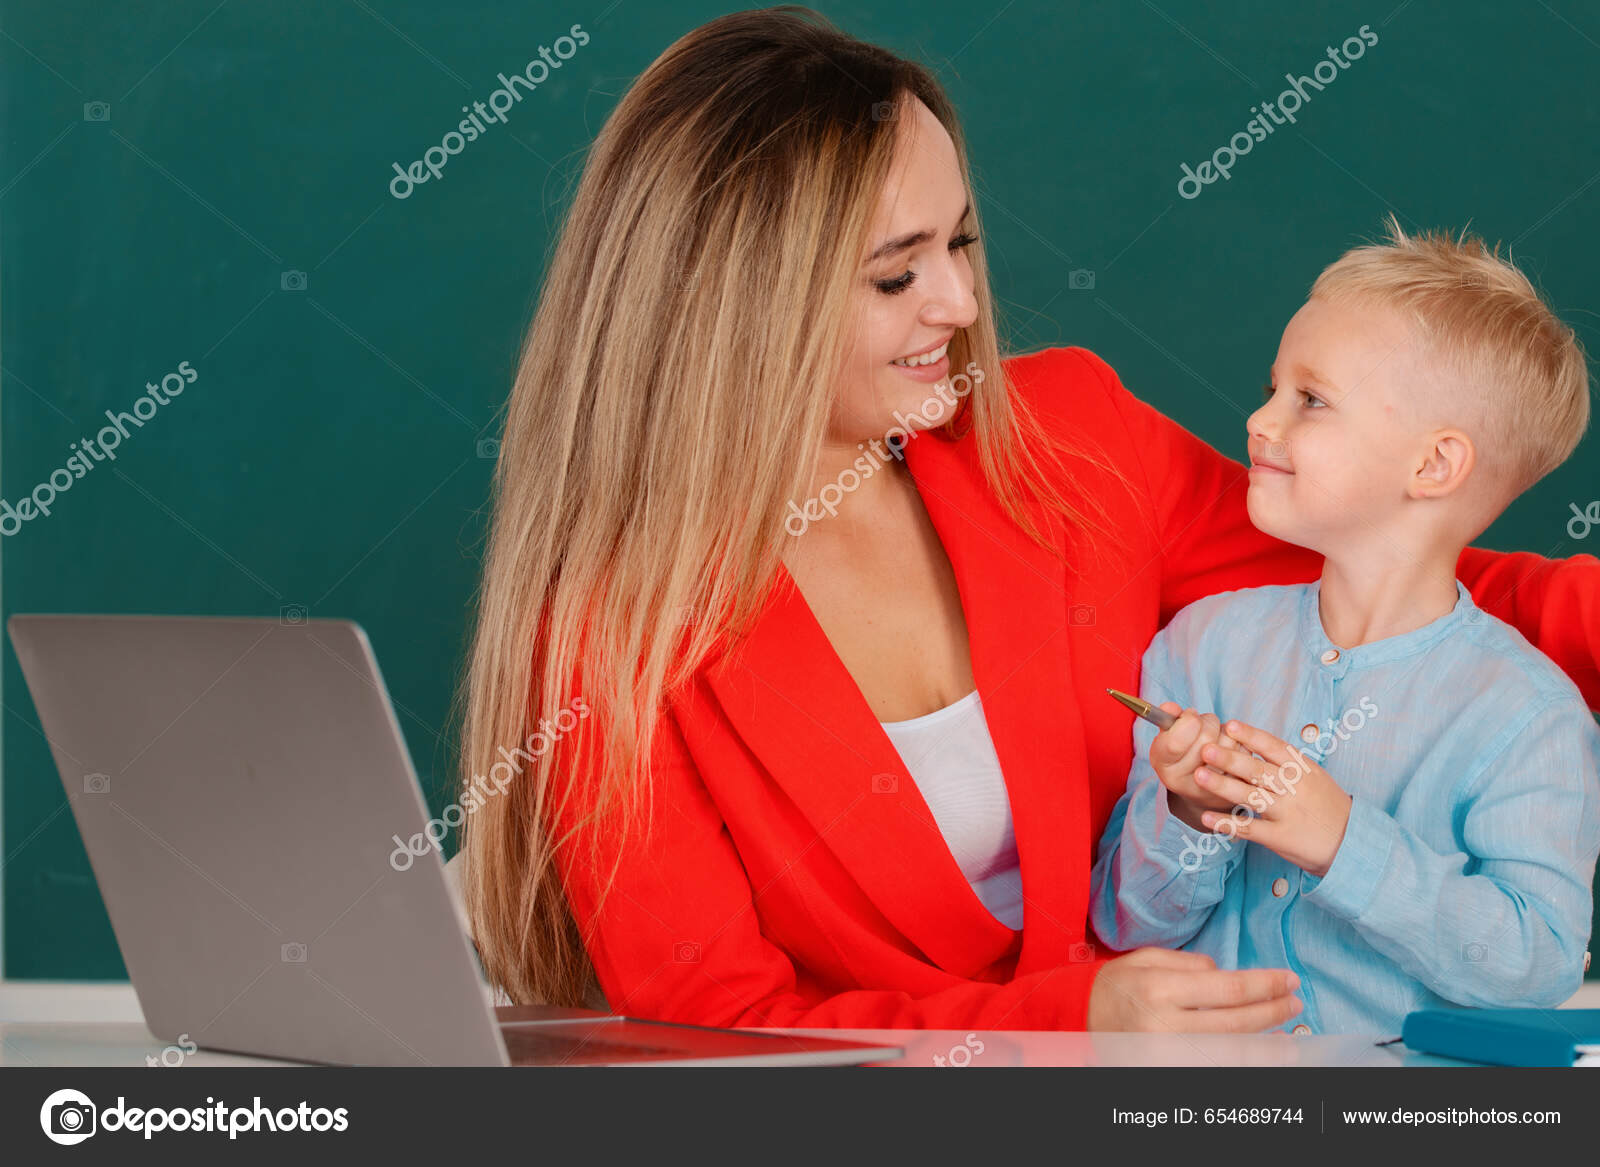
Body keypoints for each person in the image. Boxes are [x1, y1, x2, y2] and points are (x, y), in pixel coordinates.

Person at [456, 8, 1600, 1031]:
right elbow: (719, 1018)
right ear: (732, 304)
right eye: (895, 275)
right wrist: (1072, 1021)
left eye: (957, 242)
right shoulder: (617, 630)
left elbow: (1403, 586)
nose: (958, 305)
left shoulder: (1064, 431)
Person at [1089, 218, 1600, 1033]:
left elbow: (1536, 967)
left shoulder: (1531, 714)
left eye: (1310, 401)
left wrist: (1344, 840)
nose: (1260, 421)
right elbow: (1126, 927)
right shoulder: (1202, 644)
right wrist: (1185, 817)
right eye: (1272, 389)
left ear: (1433, 465)